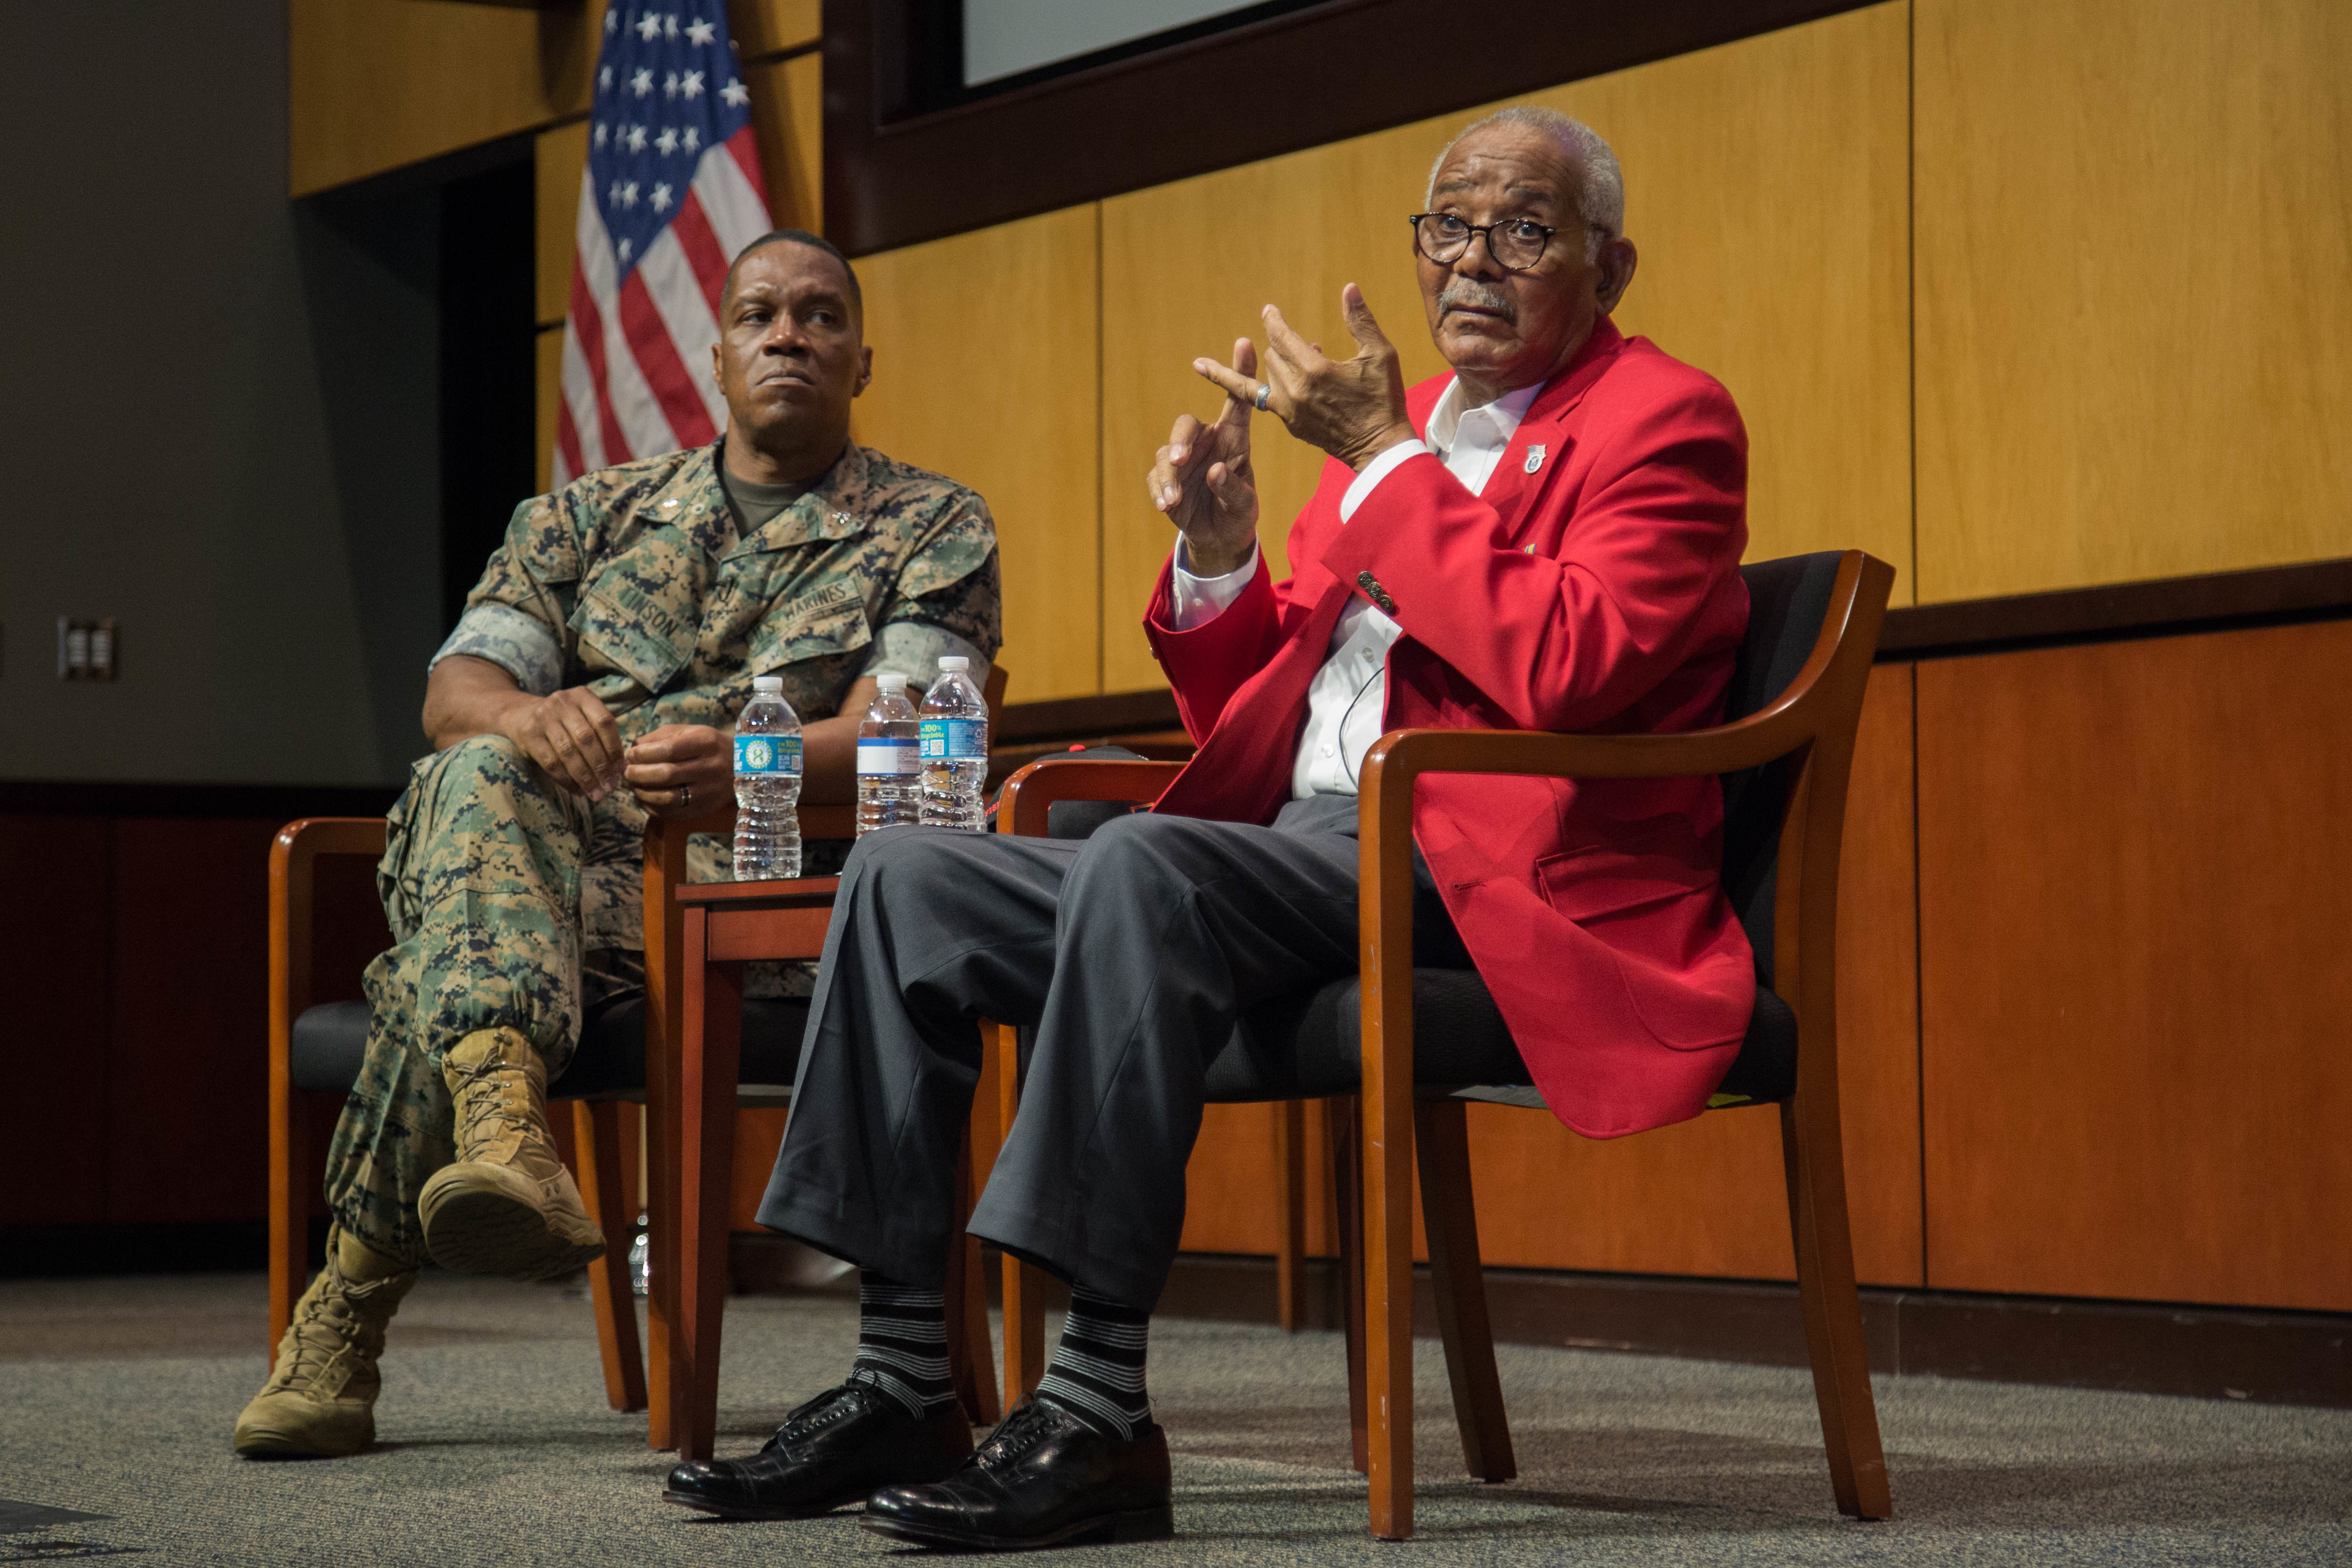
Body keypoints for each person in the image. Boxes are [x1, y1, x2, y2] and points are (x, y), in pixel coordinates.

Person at [663, 106, 1754, 1549]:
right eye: (1447, 228)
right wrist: (1223, 556)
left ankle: (1100, 1410)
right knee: (908, 872)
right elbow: (1275, 688)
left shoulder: (1666, 420)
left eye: (1524, 231)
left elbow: (1572, 667)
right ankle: (904, 1375)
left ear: (1608, 270)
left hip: (1500, 868)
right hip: (1308, 849)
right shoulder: (1403, 428)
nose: (1472, 262)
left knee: (1139, 859)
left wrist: (1381, 466)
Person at [232, 230, 1002, 1459]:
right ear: (716, 352)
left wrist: (751, 760)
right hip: (553, 885)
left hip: (773, 901)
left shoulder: (928, 524)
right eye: (760, 314)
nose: (789, 335)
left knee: (442, 953)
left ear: (863, 358)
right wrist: (534, 717)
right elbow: (456, 692)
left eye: (819, 316)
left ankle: (352, 1306)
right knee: (481, 764)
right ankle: (502, 1124)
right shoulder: (590, 515)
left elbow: (905, 735)